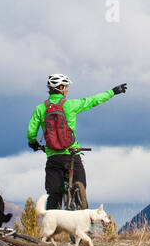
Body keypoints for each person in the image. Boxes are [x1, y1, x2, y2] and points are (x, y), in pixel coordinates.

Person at [27, 75, 127, 208]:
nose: (67, 90)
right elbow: (93, 101)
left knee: (53, 194)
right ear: (61, 88)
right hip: (71, 154)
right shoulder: (71, 105)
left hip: (53, 157)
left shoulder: (40, 109)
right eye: (66, 87)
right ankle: (85, 220)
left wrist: (33, 143)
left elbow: (31, 132)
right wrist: (113, 91)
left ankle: (53, 224)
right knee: (80, 189)